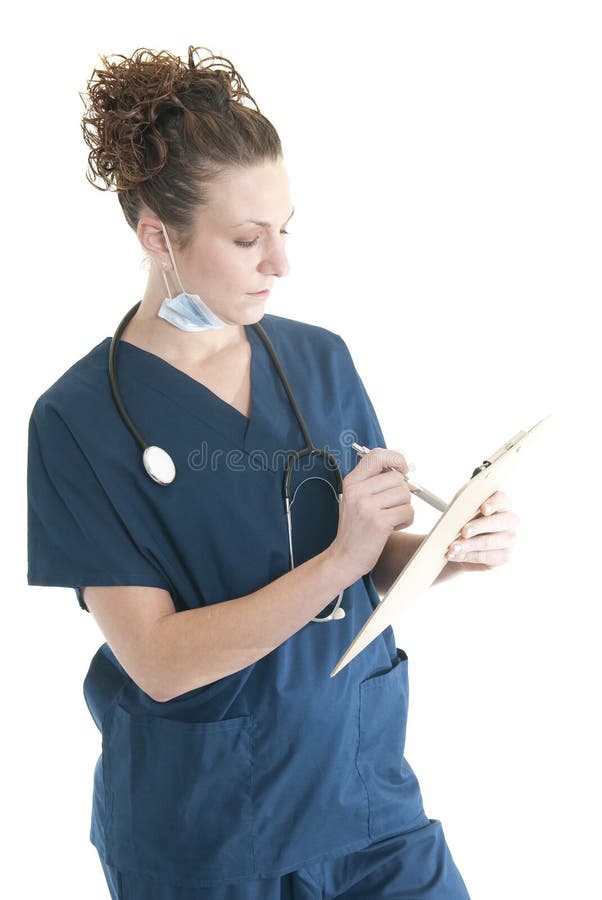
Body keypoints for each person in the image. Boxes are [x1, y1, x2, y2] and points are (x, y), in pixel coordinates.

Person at [26, 46, 519, 899]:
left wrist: (442, 550)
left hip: (365, 800)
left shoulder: (320, 361)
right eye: (248, 238)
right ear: (157, 237)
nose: (280, 264)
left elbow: (364, 571)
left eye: (285, 229)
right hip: (207, 833)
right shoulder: (78, 422)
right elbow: (158, 661)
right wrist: (341, 560)